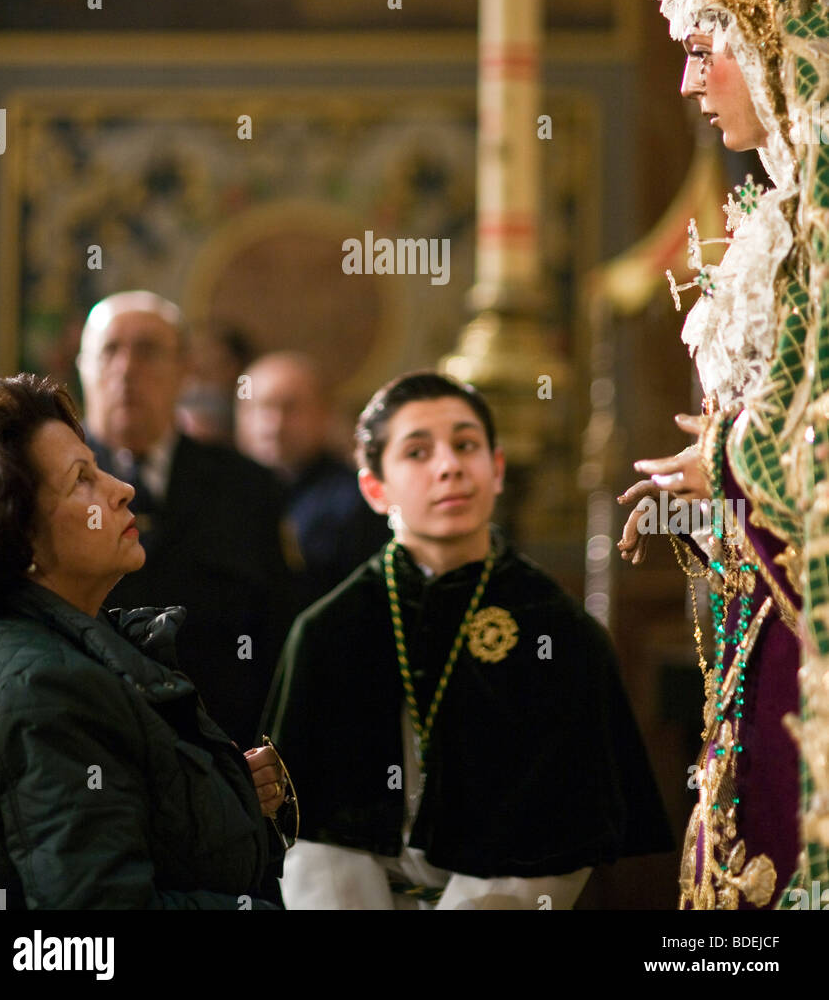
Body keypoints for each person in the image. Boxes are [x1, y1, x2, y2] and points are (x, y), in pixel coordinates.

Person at [582, 0, 829, 906]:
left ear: (769, 34)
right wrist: (718, 452)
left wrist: (724, 458)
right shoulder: (790, 206)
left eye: (699, 44)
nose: (686, 82)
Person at [263, 371, 674, 909]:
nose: (450, 466)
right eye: (417, 451)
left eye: (466, 445)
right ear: (374, 486)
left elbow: (562, 824)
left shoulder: (556, 626)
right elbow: (304, 827)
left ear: (496, 468)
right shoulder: (327, 630)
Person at [0, 373, 288, 909]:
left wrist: (223, 794)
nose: (121, 489)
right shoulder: (49, 687)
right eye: (82, 480)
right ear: (17, 534)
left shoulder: (50, 644)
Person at [78, 291, 294, 748]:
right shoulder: (49, 488)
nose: (126, 368)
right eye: (109, 350)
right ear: (83, 367)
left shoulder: (247, 487)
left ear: (184, 370)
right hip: (88, 744)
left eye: (148, 350)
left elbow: (277, 632)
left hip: (218, 748)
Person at [235, 351, 388, 601]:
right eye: (259, 407)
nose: (273, 424)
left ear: (324, 413)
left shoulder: (356, 500)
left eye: (290, 408)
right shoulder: (218, 491)